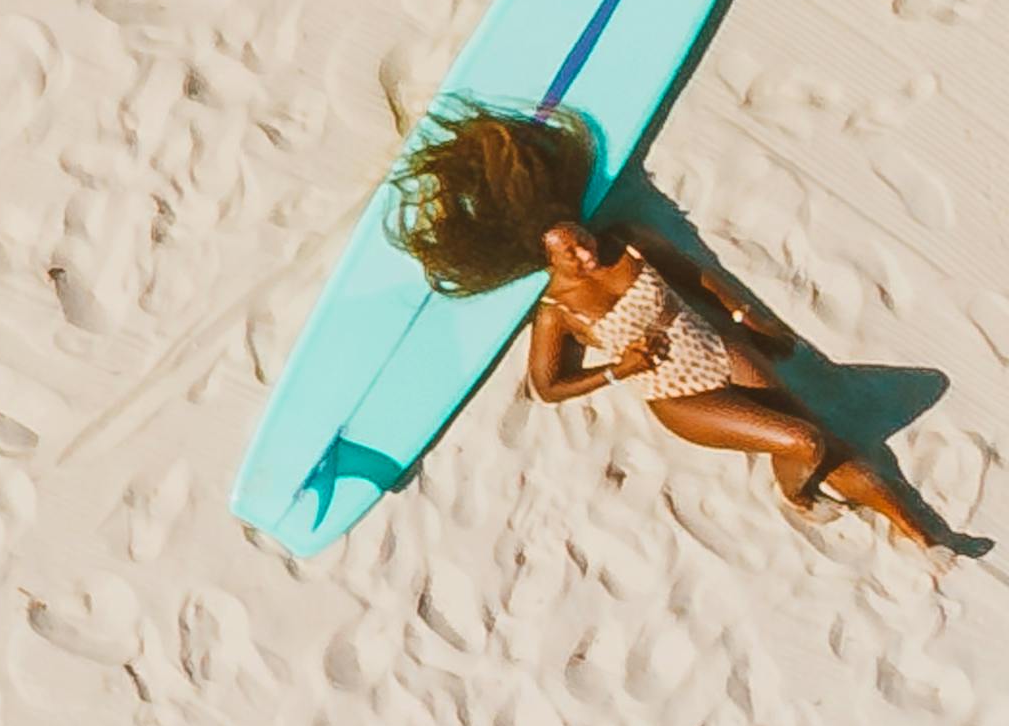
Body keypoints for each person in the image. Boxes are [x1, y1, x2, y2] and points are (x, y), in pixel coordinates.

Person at [382, 103, 954, 561]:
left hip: (720, 351)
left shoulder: (626, 241)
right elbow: (547, 387)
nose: (584, 251)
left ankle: (916, 530)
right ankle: (799, 495)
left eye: (578, 236)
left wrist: (748, 317)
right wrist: (617, 371)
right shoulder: (558, 309)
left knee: (813, 429)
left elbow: (696, 277)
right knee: (804, 440)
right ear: (544, 257)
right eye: (569, 251)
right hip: (680, 395)